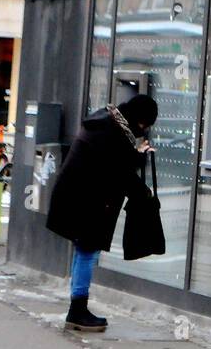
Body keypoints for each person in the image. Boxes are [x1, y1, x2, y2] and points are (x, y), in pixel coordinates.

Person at [46, 94, 157, 331]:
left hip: (76, 198)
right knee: (87, 252)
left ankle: (77, 308)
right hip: (85, 202)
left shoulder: (107, 123)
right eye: (144, 125)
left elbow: (115, 164)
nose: (143, 131)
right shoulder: (113, 133)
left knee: (83, 251)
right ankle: (77, 310)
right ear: (139, 120)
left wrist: (136, 157)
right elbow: (120, 172)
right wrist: (144, 192)